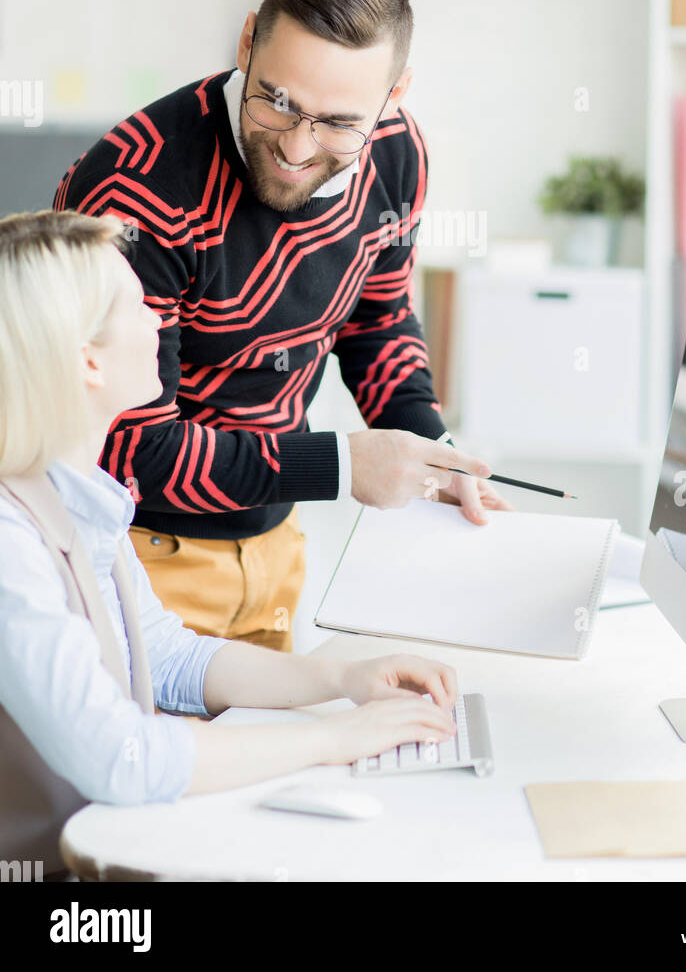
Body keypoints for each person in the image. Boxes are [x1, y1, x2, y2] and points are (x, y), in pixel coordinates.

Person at [53, 0, 512, 650]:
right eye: (278, 101)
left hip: (275, 545)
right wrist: (341, 465)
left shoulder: (395, 155)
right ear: (247, 42)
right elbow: (129, 443)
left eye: (337, 123)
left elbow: (378, 321)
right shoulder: (137, 188)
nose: (298, 148)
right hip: (136, 552)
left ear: (394, 97)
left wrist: (433, 449)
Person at [0, 209, 462, 870]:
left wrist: (341, 678)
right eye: (137, 307)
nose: (161, 321)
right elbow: (120, 756)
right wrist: (335, 740)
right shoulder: (10, 542)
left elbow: (168, 656)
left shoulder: (78, 496)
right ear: (88, 363)